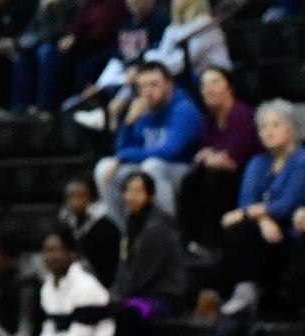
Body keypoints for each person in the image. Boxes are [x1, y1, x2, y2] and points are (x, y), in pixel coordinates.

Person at [203, 102, 305, 318]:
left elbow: (288, 204)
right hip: (262, 233)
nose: (267, 132)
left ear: (291, 128)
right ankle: (244, 290)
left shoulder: (301, 161)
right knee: (237, 228)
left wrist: (254, 214)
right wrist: (262, 219)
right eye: (263, 127)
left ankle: (221, 291)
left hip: (288, 234)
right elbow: (246, 202)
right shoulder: (257, 162)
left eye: (275, 125)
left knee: (237, 229)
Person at [93, 61, 202, 222]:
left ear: (169, 84)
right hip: (148, 166)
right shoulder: (143, 110)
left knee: (152, 166)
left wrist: (124, 156)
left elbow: (169, 151)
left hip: (183, 169)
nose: (148, 91)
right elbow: (120, 149)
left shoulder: (184, 109)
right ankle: (127, 234)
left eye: (154, 84)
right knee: (104, 169)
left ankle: (167, 230)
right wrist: (128, 124)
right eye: (143, 86)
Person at [110, 172, 186, 336]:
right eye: (128, 191)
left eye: (138, 191)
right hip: (142, 290)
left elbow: (144, 273)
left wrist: (118, 296)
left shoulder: (156, 228)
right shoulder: (132, 222)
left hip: (164, 295)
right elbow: (124, 265)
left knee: (126, 312)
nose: (130, 196)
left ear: (150, 196)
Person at [177, 67, 259, 249]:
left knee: (215, 179)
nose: (208, 89)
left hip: (246, 177)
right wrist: (212, 157)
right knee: (190, 180)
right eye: (204, 85)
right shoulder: (210, 118)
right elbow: (202, 156)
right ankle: (189, 242)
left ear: (229, 87)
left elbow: (232, 161)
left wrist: (211, 157)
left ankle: (214, 243)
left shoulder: (242, 114)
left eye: (214, 83)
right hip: (216, 173)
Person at [57, 0, 126, 107]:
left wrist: (80, 37)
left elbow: (106, 29)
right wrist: (72, 36)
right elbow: (78, 23)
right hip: (88, 45)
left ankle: (87, 103)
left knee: (86, 67)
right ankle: (57, 106)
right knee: (58, 58)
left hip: (110, 45)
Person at [12, 0, 78, 113]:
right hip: (42, 43)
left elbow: (62, 30)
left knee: (45, 52)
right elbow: (31, 29)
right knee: (20, 56)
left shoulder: (73, 1)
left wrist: (53, 9)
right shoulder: (42, 4)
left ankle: (44, 106)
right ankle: (21, 107)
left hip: (62, 47)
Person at [141, 0, 230, 81]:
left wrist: (149, 59)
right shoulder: (173, 28)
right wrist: (150, 59)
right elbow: (162, 55)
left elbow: (181, 63)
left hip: (211, 79)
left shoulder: (205, 25)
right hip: (185, 80)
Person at [58, 177, 122, 287]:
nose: (75, 202)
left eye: (81, 196)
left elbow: (112, 264)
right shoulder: (64, 225)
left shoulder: (105, 227)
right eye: (71, 197)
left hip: (100, 282)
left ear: (90, 198)